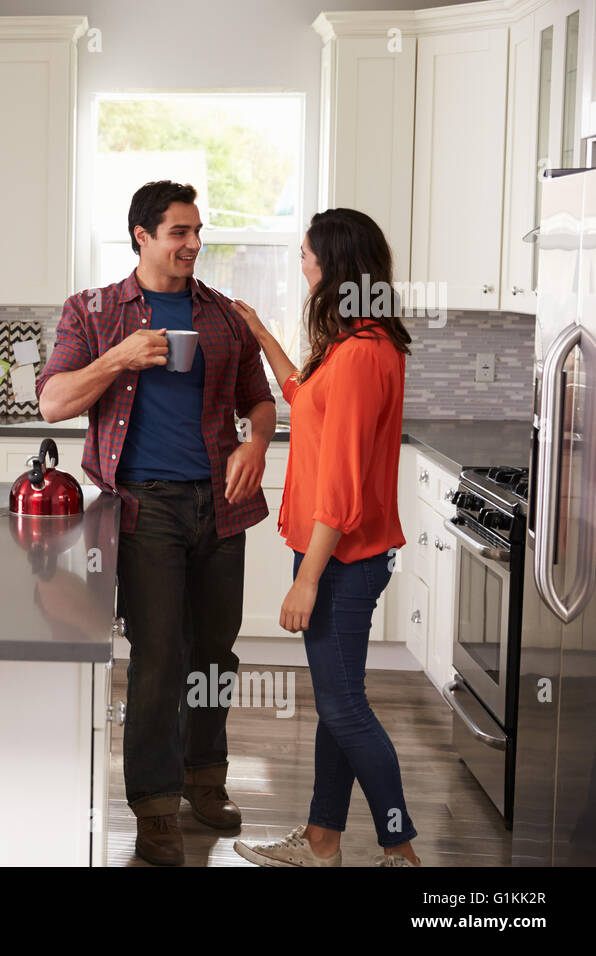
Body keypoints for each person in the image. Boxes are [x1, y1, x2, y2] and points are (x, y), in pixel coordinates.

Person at [36, 180, 277, 866]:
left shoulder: (224, 315)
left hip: (221, 506)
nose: (193, 244)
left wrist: (257, 444)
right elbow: (53, 401)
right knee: (158, 657)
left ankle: (206, 780)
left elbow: (260, 402)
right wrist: (118, 358)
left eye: (197, 231)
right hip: (145, 509)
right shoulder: (92, 311)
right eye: (179, 232)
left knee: (214, 653)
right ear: (142, 235)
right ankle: (153, 806)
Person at [229, 207, 420, 867]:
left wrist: (307, 579)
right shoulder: (348, 345)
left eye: (307, 254)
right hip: (334, 554)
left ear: (334, 264)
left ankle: (401, 848)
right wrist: (257, 332)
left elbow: (341, 485)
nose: (302, 263)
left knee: (344, 709)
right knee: (340, 705)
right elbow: (299, 392)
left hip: (342, 560)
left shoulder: (364, 355)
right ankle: (322, 841)